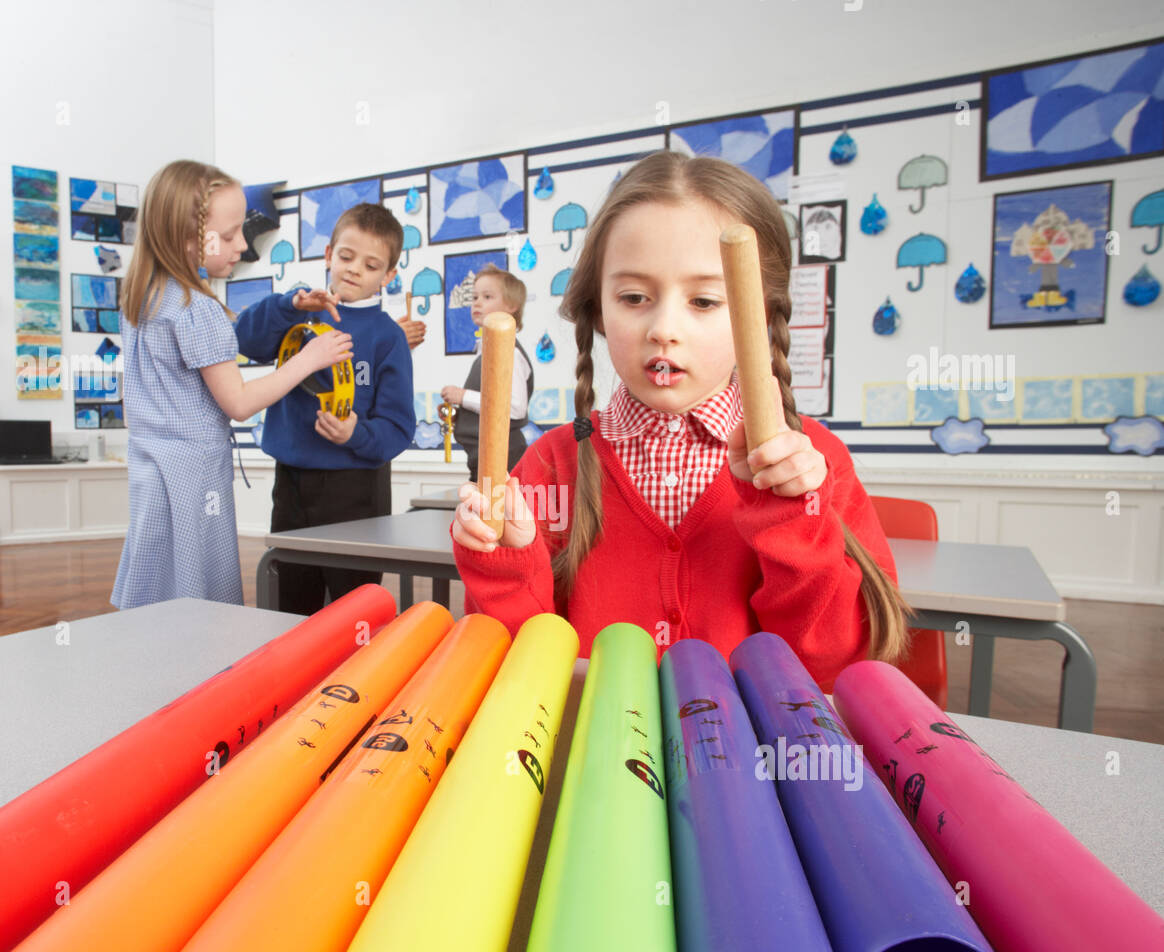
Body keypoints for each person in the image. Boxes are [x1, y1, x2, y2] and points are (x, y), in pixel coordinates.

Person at [451, 151, 909, 690]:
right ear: (598, 308)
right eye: (635, 297)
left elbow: (837, 673)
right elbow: (519, 680)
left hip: (756, 767)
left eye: (705, 300)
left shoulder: (814, 461)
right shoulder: (551, 466)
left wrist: (795, 523)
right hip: (591, 762)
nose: (664, 328)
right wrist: (503, 563)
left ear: (760, 312)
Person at [110, 160, 351, 609]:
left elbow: (225, 344)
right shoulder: (195, 307)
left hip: (151, 462)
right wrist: (308, 359)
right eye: (230, 233)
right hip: (194, 469)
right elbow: (238, 402)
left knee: (159, 576)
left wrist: (291, 305)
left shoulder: (143, 295)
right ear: (187, 237)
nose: (242, 244)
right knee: (199, 591)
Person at [234, 203, 416, 614]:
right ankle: (295, 676)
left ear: (388, 276)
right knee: (291, 600)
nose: (354, 269)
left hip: (357, 489)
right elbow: (243, 339)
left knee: (355, 605)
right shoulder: (297, 309)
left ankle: (356, 677)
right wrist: (288, 306)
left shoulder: (388, 338)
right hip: (292, 484)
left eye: (371, 265)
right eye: (346, 257)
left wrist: (357, 434)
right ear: (329, 253)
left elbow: (399, 427)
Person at [441, 265, 535, 483]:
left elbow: (515, 407)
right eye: (474, 297)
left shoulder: (509, 352)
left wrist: (463, 396)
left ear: (511, 305)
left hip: (503, 461)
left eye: (487, 296)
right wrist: (462, 411)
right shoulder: (486, 352)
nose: (477, 303)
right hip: (484, 459)